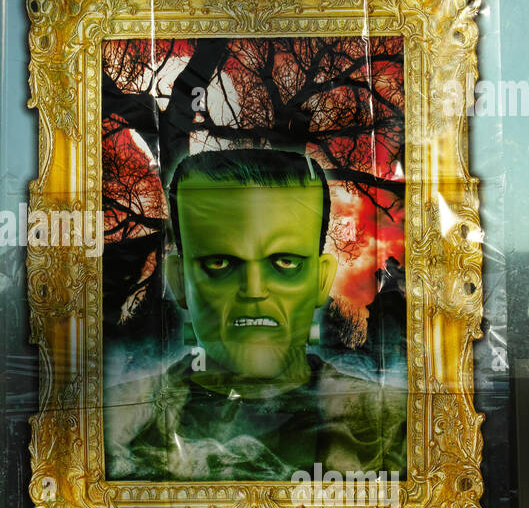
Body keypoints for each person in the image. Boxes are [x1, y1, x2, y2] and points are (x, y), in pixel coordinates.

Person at [105, 148, 406, 481]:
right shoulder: (113, 429)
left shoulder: (397, 429)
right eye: (220, 263)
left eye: (285, 262)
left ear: (321, 280)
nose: (253, 289)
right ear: (179, 281)